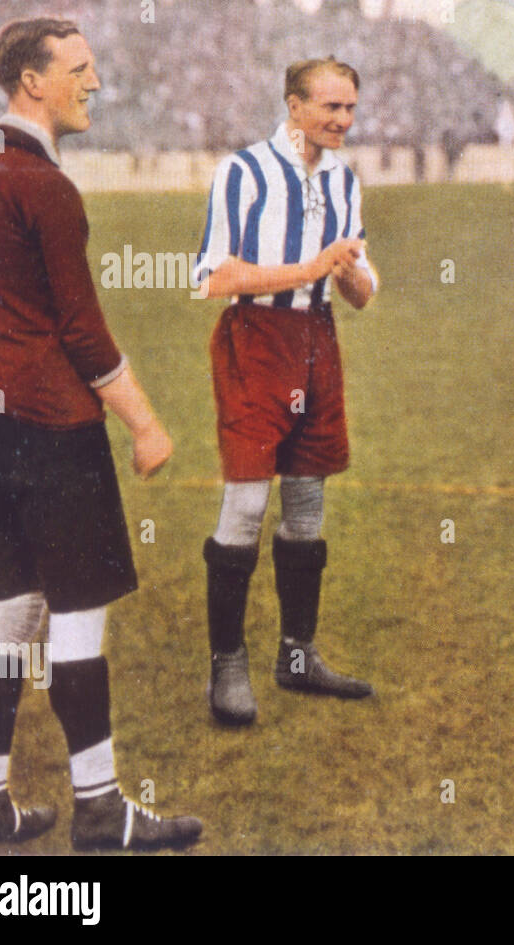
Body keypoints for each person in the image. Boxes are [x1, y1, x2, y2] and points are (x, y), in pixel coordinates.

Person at [0, 17, 202, 850]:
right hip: (50, 424)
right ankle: (99, 806)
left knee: (11, 600)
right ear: (32, 81)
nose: (94, 83)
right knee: (77, 607)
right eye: (79, 69)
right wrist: (147, 422)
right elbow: (85, 334)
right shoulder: (47, 188)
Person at [194, 57, 379, 726]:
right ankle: (228, 664)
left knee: (306, 503)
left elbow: (359, 289)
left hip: (316, 339)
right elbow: (212, 277)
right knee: (246, 504)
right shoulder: (244, 172)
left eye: (351, 108)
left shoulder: (345, 181)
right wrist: (309, 265)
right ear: (295, 106)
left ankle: (297, 656)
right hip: (256, 339)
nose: (344, 120)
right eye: (332, 107)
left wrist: (351, 274)